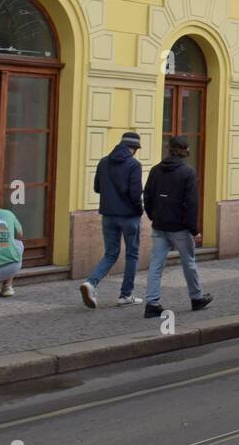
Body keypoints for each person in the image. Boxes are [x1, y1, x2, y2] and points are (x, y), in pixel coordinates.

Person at [142, 135, 212, 317]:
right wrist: (194, 229)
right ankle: (196, 298)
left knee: (156, 265)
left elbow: (147, 197)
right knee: (188, 262)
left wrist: (154, 216)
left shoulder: (156, 170)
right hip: (180, 228)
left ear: (169, 149)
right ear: (185, 151)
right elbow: (191, 203)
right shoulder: (187, 172)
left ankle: (151, 304)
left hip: (159, 225)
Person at [80, 131, 144, 309]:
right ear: (135, 148)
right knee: (132, 254)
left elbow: (97, 188)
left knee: (110, 254)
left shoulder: (103, 161)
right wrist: (139, 210)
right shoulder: (134, 165)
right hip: (129, 216)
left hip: (108, 215)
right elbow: (135, 194)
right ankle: (126, 295)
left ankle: (91, 283)